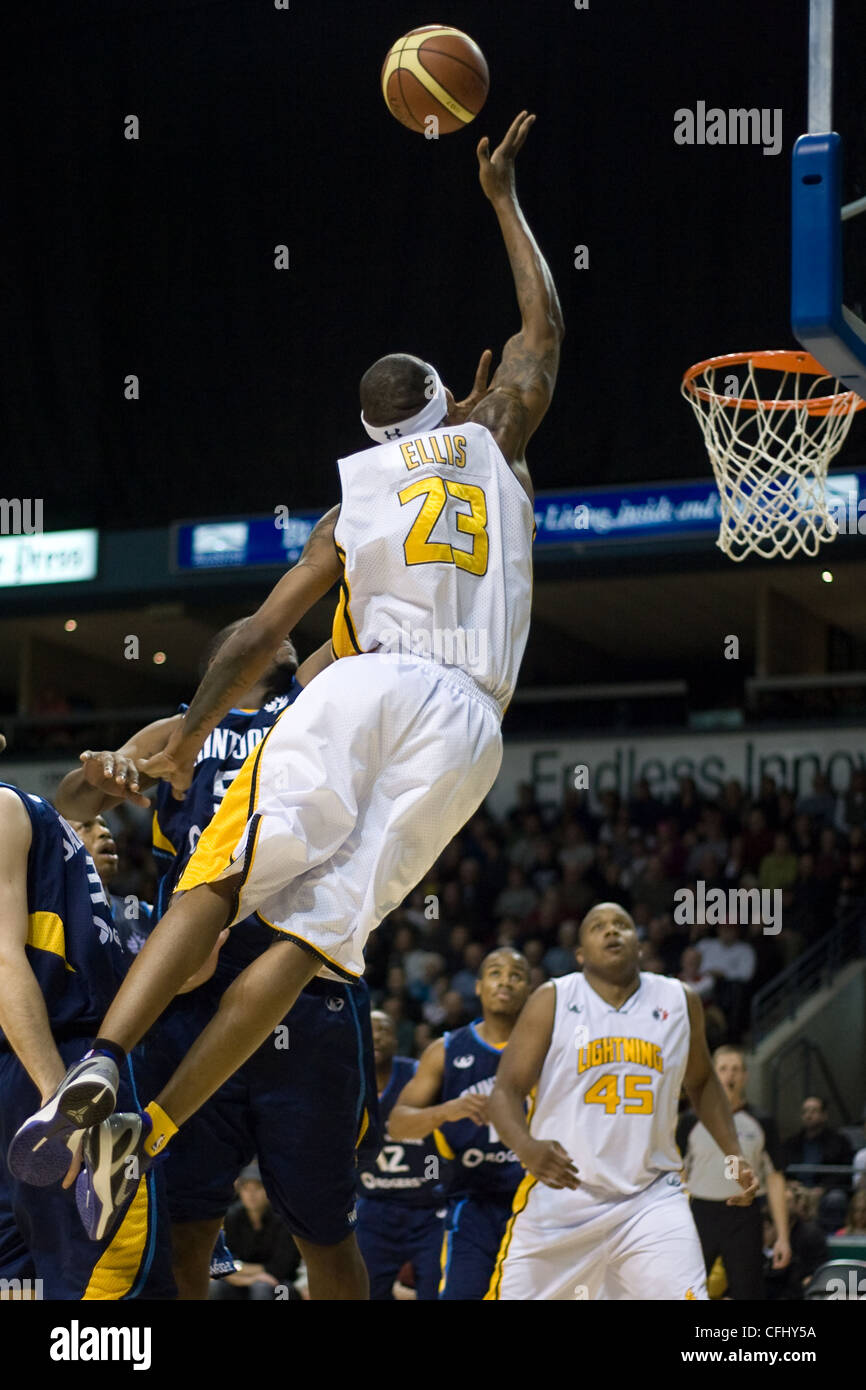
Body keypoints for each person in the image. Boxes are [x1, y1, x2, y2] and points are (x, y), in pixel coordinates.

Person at [12, 109, 562, 1238]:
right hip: (470, 727)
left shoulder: (349, 501)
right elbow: (541, 325)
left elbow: (259, 637)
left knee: (219, 882)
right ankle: (149, 1131)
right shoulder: (497, 436)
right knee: (316, 941)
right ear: (445, 403)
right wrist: (502, 200)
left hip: (363, 688)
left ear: (366, 430)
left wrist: (189, 719)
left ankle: (105, 1062)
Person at [52, 625, 379, 1301]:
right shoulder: (178, 732)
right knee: (187, 1225)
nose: (273, 630)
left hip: (305, 986)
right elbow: (71, 807)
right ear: (217, 661)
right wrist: (97, 775)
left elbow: (359, 627)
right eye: (250, 632)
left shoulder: (316, 696)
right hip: (192, 994)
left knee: (326, 1231)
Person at [484, 902, 758, 1301]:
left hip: (650, 1200)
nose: (611, 931)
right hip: (563, 1199)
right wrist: (527, 1147)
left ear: (640, 945)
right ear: (580, 954)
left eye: (622, 925)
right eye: (597, 926)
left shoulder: (679, 1000)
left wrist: (733, 1152)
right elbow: (505, 1091)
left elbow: (702, 1083)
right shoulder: (553, 999)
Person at [0, 781, 174, 1299]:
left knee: (19, 1285)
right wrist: (62, 1102)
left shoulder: (118, 910)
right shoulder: (14, 809)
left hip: (23, 1073)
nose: (102, 832)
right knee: (103, 1292)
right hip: (62, 1069)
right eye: (88, 826)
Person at [389, 949, 531, 1299]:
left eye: (517, 975)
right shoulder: (446, 1049)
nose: (506, 981)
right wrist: (446, 1111)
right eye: (496, 973)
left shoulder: (550, 1049)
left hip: (537, 1200)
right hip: (473, 1201)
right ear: (479, 987)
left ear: (530, 989)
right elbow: (397, 1125)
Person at [678, 1044, 790, 1299]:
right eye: (723, 1069)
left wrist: (783, 1237)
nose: (730, 1075)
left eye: (736, 1069)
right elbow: (678, 1174)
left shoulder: (762, 1121)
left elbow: (775, 1178)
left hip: (744, 1217)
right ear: (713, 1073)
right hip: (699, 1215)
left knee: (748, 1292)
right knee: (685, 1290)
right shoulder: (690, 1120)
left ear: (745, 1076)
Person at [355, 1012, 444, 1300]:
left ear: (396, 1040)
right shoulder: (347, 1081)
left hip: (429, 1209)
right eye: (371, 1029)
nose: (378, 1035)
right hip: (373, 1206)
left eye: (385, 1030)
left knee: (438, 1289)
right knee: (365, 1291)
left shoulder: (419, 1077)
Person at [210, 1162, 300, 1301]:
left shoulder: (283, 1220)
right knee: (214, 1287)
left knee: (264, 1288)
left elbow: (280, 1268)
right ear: (240, 1191)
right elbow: (222, 1266)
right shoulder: (232, 1217)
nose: (251, 1195)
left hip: (279, 1284)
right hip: (244, 1281)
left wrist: (240, 1268)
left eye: (257, 1188)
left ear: (268, 1191)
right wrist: (251, 1277)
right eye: (246, 1189)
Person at [781, 1096, 855, 1188]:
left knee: (835, 1198)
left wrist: (824, 1187)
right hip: (797, 1188)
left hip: (827, 1189)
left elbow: (845, 1172)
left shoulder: (839, 1142)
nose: (808, 1116)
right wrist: (789, 1182)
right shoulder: (791, 1143)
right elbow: (780, 1169)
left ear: (824, 1115)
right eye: (805, 1112)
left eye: (813, 1111)